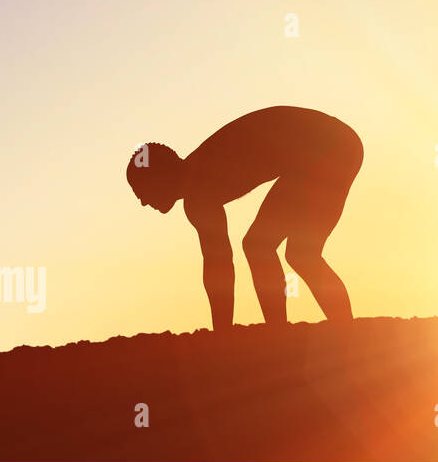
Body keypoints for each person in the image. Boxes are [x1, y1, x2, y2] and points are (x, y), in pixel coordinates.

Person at [126, 106, 363, 329]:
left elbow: (219, 268)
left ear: (160, 178)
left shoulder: (200, 186)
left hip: (330, 147)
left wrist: (222, 334)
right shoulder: (197, 190)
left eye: (142, 191)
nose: (143, 202)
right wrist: (222, 332)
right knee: (292, 252)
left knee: (269, 248)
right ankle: (312, 329)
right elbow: (218, 267)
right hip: (333, 146)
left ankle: (290, 332)